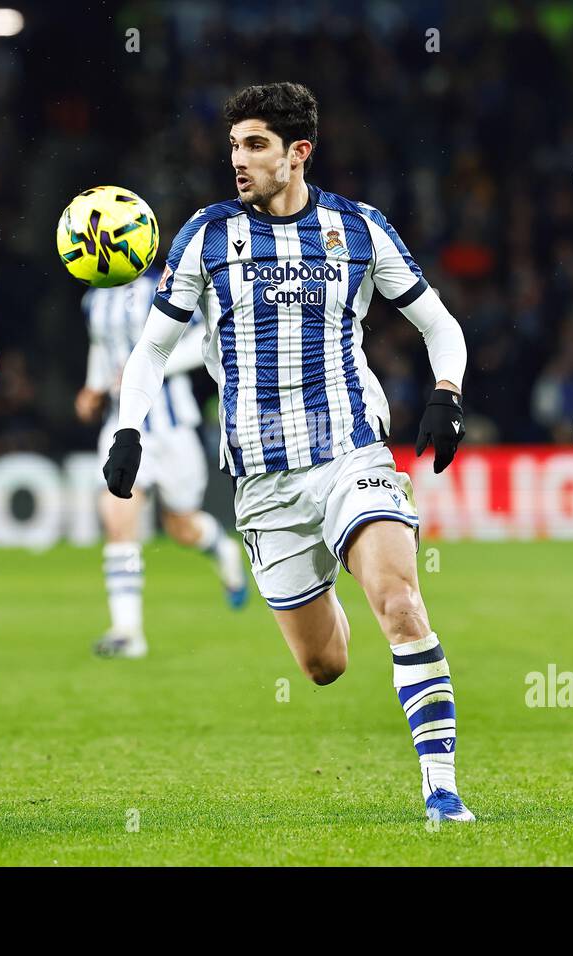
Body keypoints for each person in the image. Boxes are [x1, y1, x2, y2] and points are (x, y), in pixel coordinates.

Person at [101, 83, 473, 821]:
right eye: (234, 144)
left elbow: (439, 324)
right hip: (264, 483)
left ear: (298, 152)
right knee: (323, 665)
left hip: (351, 452)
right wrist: (129, 428)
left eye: (256, 145)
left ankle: (441, 789)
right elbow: (149, 352)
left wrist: (448, 393)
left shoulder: (358, 230)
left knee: (400, 602)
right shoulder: (208, 236)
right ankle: (327, 573)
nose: (238, 159)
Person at [76, 271, 247, 659]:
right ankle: (128, 631)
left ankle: (222, 550)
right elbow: (101, 347)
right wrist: (94, 386)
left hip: (173, 428)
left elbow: (206, 340)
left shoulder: (167, 287)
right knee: (118, 517)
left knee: (181, 527)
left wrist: (148, 365)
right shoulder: (94, 300)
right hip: (123, 427)